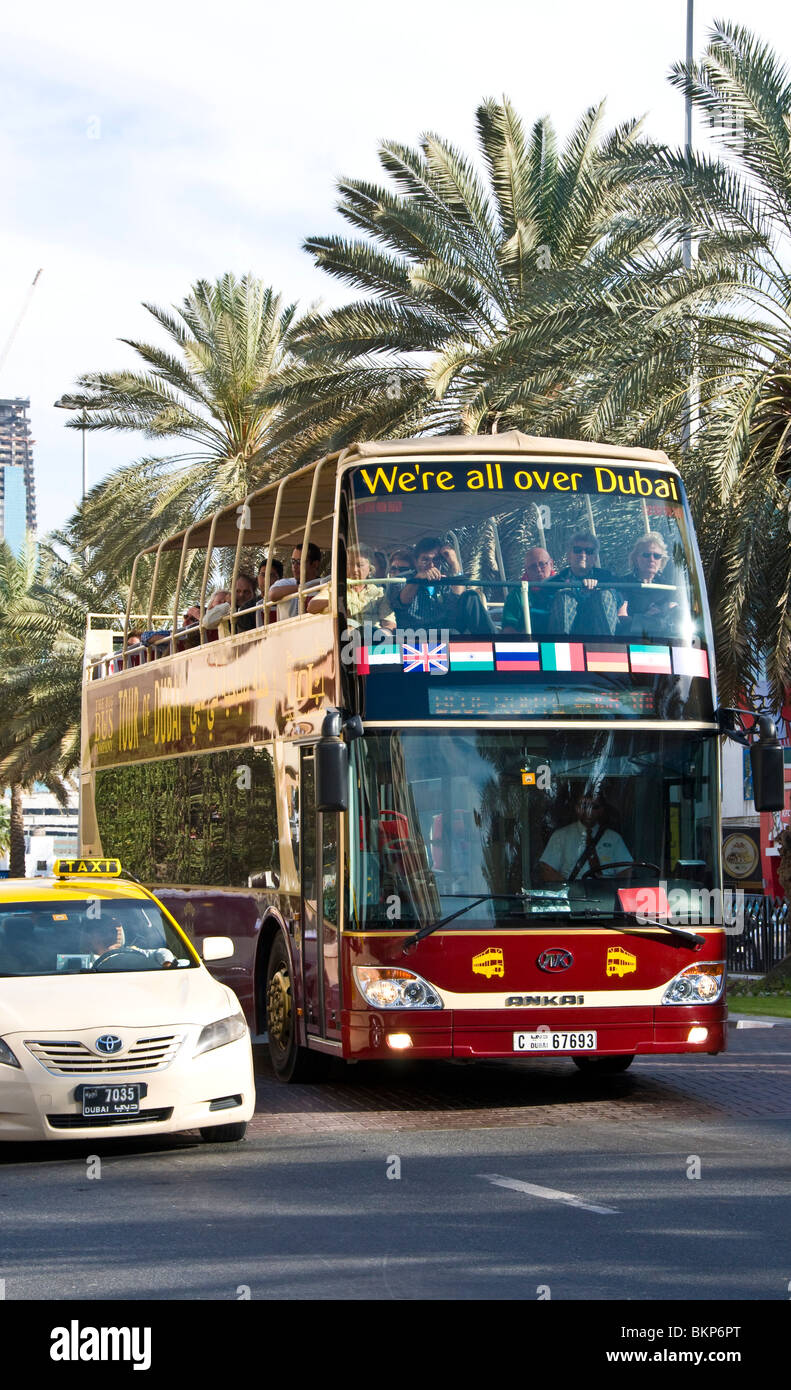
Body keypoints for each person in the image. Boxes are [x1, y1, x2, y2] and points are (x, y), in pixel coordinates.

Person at [395, 535, 494, 633]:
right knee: (452, 633)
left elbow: (457, 598)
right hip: (416, 633)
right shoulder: (403, 580)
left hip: (445, 629)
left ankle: (493, 640)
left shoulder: (443, 580)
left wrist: (454, 563)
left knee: (470, 596)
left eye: (436, 559)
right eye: (425, 560)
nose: (431, 565)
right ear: (416, 562)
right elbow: (403, 602)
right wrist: (418, 579)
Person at [538, 791, 633, 883]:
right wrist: (569, 891)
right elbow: (547, 869)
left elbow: (626, 871)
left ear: (602, 810)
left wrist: (612, 889)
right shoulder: (560, 836)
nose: (589, 811)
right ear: (576, 808)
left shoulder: (614, 838)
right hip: (573, 895)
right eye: (584, 806)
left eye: (594, 807)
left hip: (605, 894)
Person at [545, 531, 624, 636]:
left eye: (589, 551)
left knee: (605, 595)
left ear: (595, 558)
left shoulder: (607, 578)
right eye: (577, 550)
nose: (583, 555)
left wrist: (598, 592)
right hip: (570, 629)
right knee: (564, 596)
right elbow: (545, 606)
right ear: (569, 556)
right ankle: (562, 647)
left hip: (599, 626)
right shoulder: (555, 582)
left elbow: (619, 600)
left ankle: (607, 648)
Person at [618, 532, 678, 636]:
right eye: (646, 555)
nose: (651, 559)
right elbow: (622, 616)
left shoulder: (668, 586)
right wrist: (647, 620)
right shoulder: (625, 584)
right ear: (636, 559)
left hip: (665, 639)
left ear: (662, 560)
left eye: (657, 556)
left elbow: (675, 611)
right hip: (632, 638)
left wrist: (663, 610)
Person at [501, 546, 556, 633]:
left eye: (542, 564)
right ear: (526, 570)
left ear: (551, 564)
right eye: (533, 567)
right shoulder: (516, 595)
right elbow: (509, 629)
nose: (538, 570)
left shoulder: (563, 589)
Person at [268, 542, 329, 618]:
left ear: (315, 564)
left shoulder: (325, 584)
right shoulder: (286, 583)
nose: (295, 566)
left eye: (299, 562)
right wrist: (305, 588)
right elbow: (273, 595)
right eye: (293, 562)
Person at [344, 545, 396, 628]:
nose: (354, 569)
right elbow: (315, 605)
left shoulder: (379, 592)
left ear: (370, 568)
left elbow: (389, 622)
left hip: (372, 636)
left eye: (360, 565)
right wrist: (334, 600)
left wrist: (385, 633)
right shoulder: (335, 588)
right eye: (350, 564)